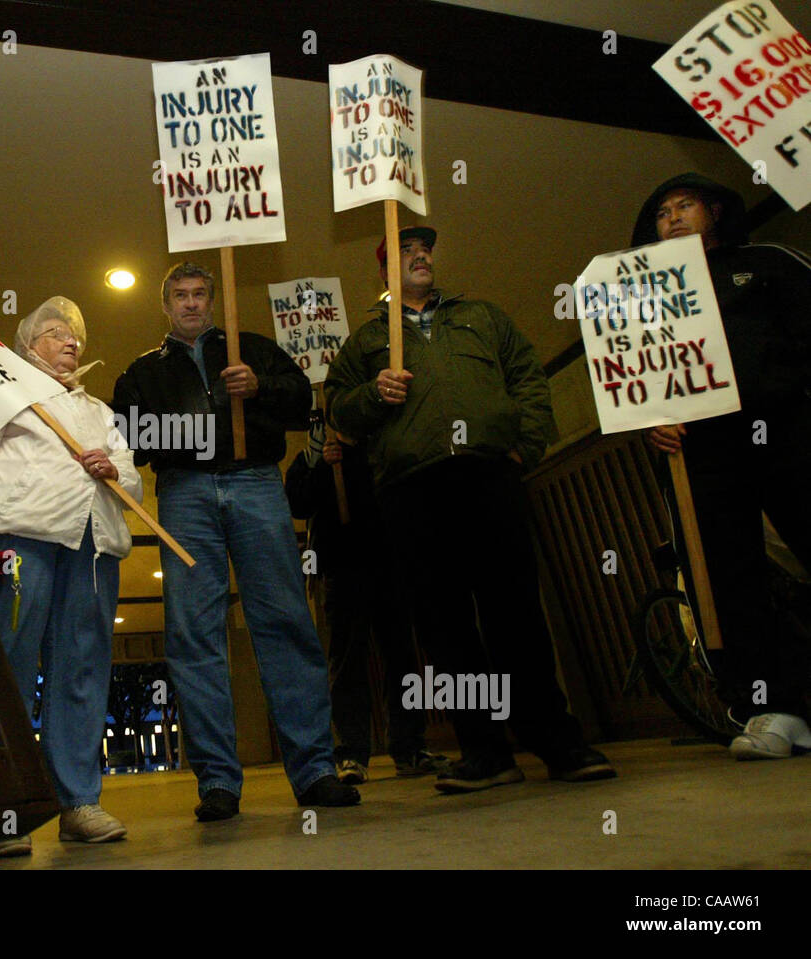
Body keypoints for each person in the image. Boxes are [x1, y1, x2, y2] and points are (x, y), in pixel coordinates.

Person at [325, 226, 616, 793]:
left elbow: (529, 379)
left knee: (517, 613)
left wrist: (523, 447)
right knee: (443, 625)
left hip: (490, 475)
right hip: (411, 489)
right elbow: (339, 409)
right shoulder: (364, 341)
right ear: (384, 272)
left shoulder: (483, 316)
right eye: (406, 251)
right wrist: (370, 393)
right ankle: (484, 750)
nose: (420, 255)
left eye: (425, 249)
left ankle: (556, 740)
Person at [112, 262, 359, 820]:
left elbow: (303, 403)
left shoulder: (252, 349)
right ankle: (218, 782)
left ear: (214, 299)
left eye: (201, 294)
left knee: (285, 619)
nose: (192, 303)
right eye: (181, 294)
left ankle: (316, 768)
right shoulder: (141, 372)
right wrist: (176, 433)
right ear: (165, 303)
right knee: (193, 633)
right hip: (182, 492)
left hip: (256, 482)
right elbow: (132, 443)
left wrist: (259, 386)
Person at [0, 296, 141, 855]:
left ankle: (78, 802)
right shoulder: (1, 400)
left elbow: (132, 480)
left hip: (93, 546)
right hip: (20, 538)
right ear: (27, 346)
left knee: (81, 668)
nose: (70, 341)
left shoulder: (100, 412)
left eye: (75, 335)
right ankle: (4, 813)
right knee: (10, 663)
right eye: (55, 332)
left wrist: (114, 470)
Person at [634, 173, 811, 760]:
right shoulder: (638, 294)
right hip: (698, 449)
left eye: (686, 205)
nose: (673, 217)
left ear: (715, 212)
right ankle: (774, 710)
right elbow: (629, 371)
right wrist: (649, 417)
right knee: (727, 577)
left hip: (785, 429)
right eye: (662, 212)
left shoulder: (769, 262)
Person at [285, 416, 449, 781]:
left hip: (389, 560)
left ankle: (409, 746)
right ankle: (351, 752)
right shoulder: (309, 460)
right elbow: (298, 503)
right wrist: (323, 467)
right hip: (341, 568)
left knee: (402, 656)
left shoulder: (377, 445)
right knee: (346, 660)